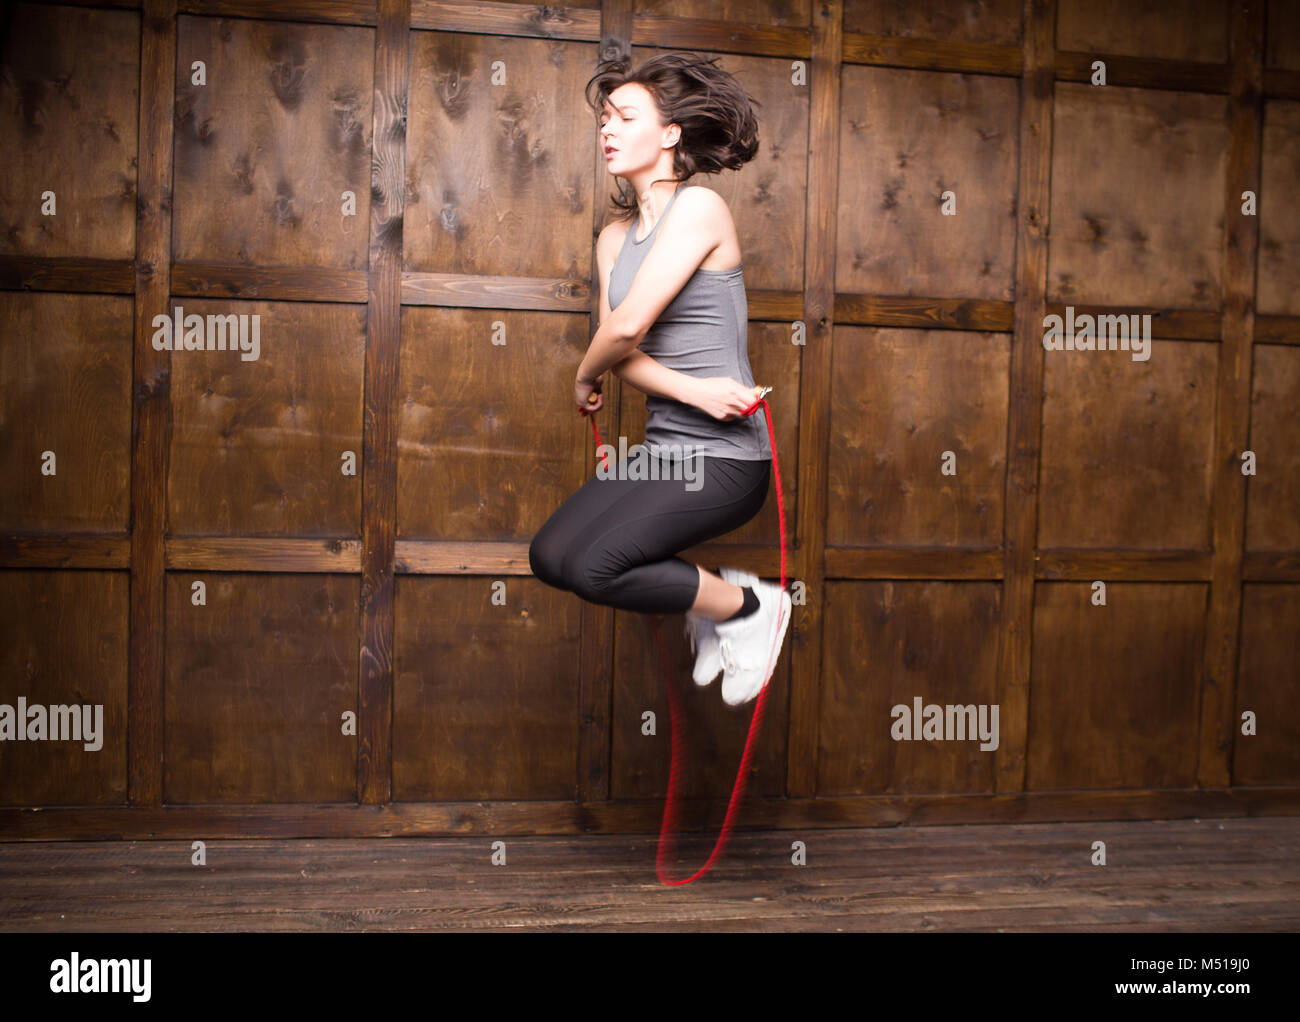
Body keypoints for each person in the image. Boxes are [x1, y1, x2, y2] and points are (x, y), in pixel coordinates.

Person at [528, 53, 790, 707]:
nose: (607, 130)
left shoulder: (698, 208)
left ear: (670, 133)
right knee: (553, 555)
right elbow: (622, 354)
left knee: (595, 566)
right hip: (664, 453)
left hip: (727, 459)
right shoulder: (614, 239)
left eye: (624, 116)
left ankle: (749, 606)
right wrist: (691, 389)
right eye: (603, 119)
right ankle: (713, 606)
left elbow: (619, 334)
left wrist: (579, 377)